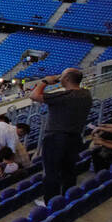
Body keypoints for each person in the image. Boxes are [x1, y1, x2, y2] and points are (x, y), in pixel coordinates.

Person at [30, 68, 93, 206]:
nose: (59, 78)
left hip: (56, 138)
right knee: (68, 171)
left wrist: (45, 81)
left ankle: (51, 202)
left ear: (67, 79)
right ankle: (68, 197)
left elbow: (34, 95)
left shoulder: (65, 96)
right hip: (74, 137)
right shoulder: (86, 94)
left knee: (51, 172)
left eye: (62, 76)